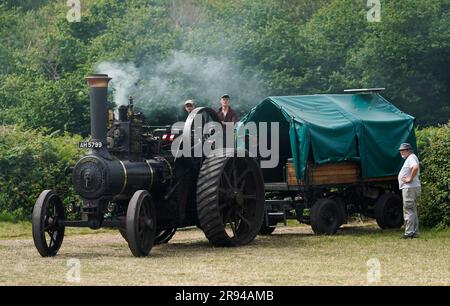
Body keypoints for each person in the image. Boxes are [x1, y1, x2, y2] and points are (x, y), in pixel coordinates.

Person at [398, 143, 421, 239]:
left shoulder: (411, 157)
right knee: (412, 210)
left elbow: (415, 167)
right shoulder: (412, 157)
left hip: (409, 187)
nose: (401, 152)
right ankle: (414, 232)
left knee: (408, 210)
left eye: (402, 150)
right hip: (412, 187)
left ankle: (409, 233)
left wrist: (410, 178)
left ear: (408, 150)